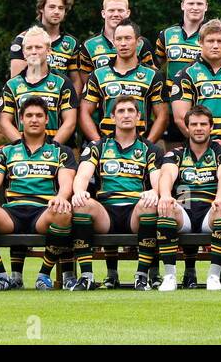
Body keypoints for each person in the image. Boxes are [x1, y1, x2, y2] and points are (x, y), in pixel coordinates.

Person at [0, 98, 74, 291]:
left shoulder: (61, 152)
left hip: (43, 212)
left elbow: (67, 184)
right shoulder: (5, 152)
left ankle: (44, 275)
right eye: (29, 116)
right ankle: (0, 276)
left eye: (39, 115)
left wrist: (61, 197)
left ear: (46, 120)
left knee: (63, 213)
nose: (34, 120)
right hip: (12, 214)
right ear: (21, 120)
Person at [68, 95, 161, 290]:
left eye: (130, 111)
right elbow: (82, 175)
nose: (126, 115)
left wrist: (154, 191)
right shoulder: (98, 146)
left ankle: (141, 276)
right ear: (112, 117)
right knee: (81, 204)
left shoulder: (150, 148)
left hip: (135, 210)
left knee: (150, 204)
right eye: (121, 111)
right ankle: (86, 277)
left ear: (138, 117)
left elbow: (157, 179)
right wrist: (78, 191)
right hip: (106, 212)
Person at [155, 106, 221, 291]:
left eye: (203, 124)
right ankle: (169, 276)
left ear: (211, 127)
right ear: (187, 128)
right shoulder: (176, 153)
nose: (199, 128)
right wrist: (166, 196)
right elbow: (167, 174)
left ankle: (213, 277)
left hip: (210, 209)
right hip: (184, 208)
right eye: (194, 124)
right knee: (167, 207)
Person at [79, 19, 168, 144]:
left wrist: (147, 146)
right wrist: (99, 144)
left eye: (128, 38)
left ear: (138, 42)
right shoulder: (98, 75)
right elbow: (84, 112)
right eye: (119, 39)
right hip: (106, 147)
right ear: (114, 43)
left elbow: (162, 116)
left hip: (141, 146)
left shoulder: (153, 76)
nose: (123, 43)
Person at [171, 19, 221, 149]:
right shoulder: (185, 75)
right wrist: (203, 143)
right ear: (200, 42)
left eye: (220, 41)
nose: (215, 46)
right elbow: (180, 118)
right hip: (197, 149)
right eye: (210, 41)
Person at [0, 26, 77, 146]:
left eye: (39, 47)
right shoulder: (12, 85)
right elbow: (4, 122)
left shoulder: (62, 83)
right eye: (29, 48)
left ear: (49, 50)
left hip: (54, 152)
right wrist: (22, 147)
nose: (34, 51)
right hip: (23, 154)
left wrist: (52, 148)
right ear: (24, 53)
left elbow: (70, 122)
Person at [157, 0, 213, 147]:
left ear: (206, 6)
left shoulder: (214, 35)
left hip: (205, 103)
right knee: (175, 153)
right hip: (175, 105)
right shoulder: (167, 34)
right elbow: (156, 66)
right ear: (183, 5)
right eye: (190, 3)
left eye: (199, 4)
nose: (195, 8)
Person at [8, 0, 85, 96]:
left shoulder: (72, 43)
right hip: (30, 105)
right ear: (41, 9)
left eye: (61, 8)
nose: (56, 11)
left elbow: (76, 81)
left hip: (59, 104)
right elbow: (15, 81)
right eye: (52, 7)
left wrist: (71, 105)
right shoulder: (23, 39)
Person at [76, 0, 158, 72]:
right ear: (103, 13)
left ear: (128, 13)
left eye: (120, 10)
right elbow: (86, 82)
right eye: (111, 10)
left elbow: (153, 76)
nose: (116, 14)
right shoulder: (89, 45)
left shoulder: (141, 43)